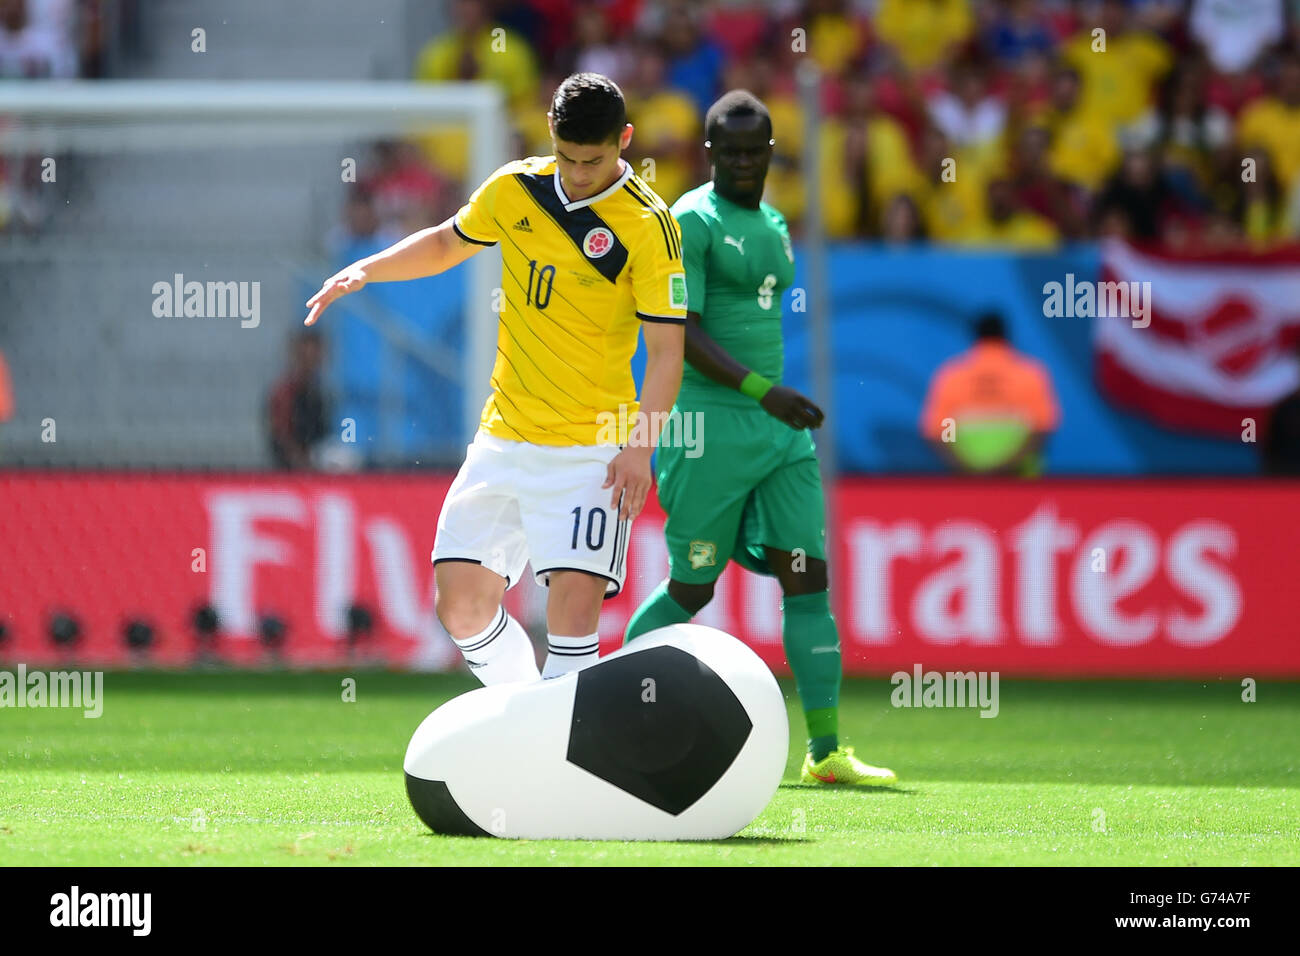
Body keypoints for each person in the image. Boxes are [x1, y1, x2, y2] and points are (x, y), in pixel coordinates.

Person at [305, 73, 686, 683]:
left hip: (592, 453)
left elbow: (668, 351)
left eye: (594, 160)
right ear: (550, 136)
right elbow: (443, 244)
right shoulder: (515, 189)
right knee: (458, 605)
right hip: (504, 439)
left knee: (572, 616)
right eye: (567, 156)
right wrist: (365, 272)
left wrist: (640, 451)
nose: (579, 173)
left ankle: (564, 758)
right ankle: (526, 712)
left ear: (625, 141)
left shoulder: (648, 224)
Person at [622, 90, 897, 788]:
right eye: (731, 151)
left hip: (778, 434)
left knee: (809, 578)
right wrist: (761, 391)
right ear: (709, 153)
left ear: (772, 152)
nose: (744, 162)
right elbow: (677, 331)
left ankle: (826, 752)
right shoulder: (690, 218)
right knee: (692, 588)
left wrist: (773, 404)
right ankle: (616, 705)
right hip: (710, 426)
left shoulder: (773, 220)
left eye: (755, 150)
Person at [920, 313, 1060, 476]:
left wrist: (965, 467)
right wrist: (1006, 466)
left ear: (975, 336)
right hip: (1020, 479)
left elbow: (941, 432)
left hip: (966, 480)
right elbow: (1041, 430)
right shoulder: (1030, 374)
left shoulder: (952, 376)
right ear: (1006, 336)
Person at [266, 329, 330, 470]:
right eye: (306, 357)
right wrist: (301, 462)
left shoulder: (318, 392)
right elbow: (281, 434)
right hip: (292, 468)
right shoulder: (285, 393)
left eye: (315, 357)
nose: (311, 363)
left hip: (314, 459)